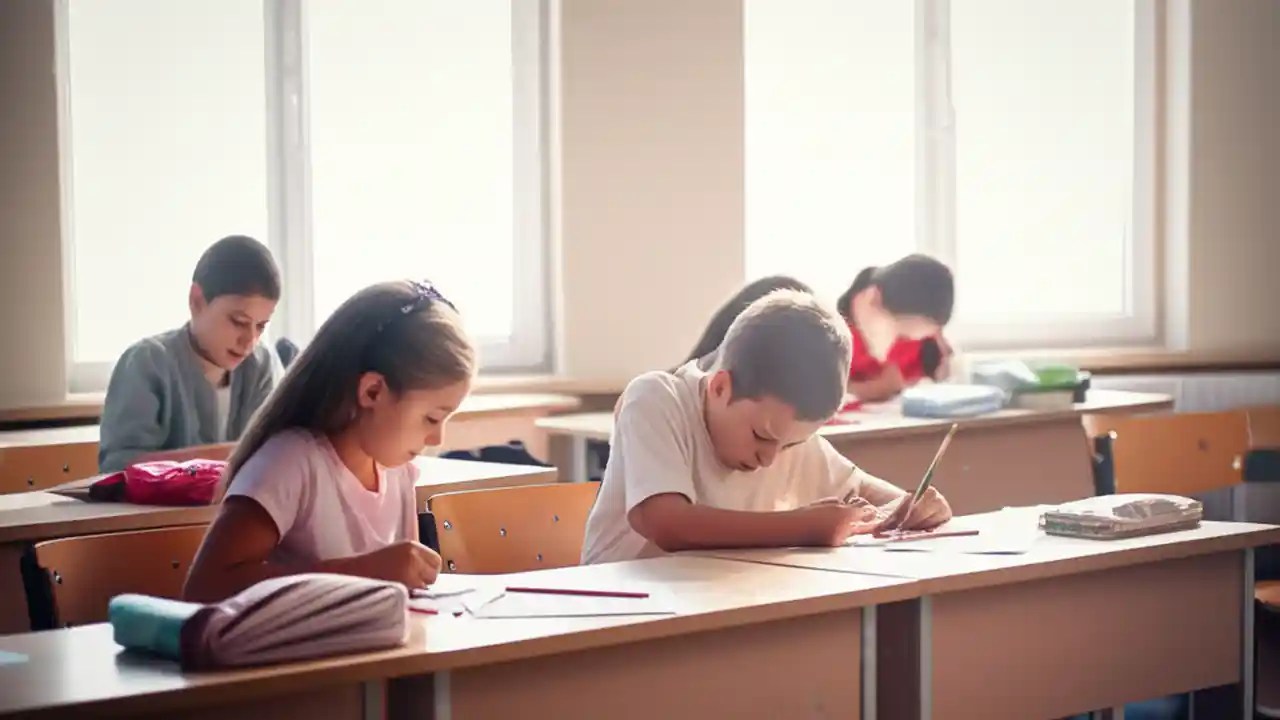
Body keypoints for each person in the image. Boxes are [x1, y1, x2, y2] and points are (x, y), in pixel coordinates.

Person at [582, 289, 951, 564]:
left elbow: (867, 491)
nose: (770, 459)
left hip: (706, 606)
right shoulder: (656, 399)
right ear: (721, 387)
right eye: (762, 437)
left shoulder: (783, 434)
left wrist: (913, 506)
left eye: (790, 446)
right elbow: (666, 523)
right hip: (619, 620)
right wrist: (805, 527)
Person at [183, 280, 475, 602]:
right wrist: (363, 573)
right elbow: (205, 588)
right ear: (372, 391)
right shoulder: (290, 462)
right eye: (432, 418)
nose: (437, 438)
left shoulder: (399, 473)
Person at [98, 235, 282, 472]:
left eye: (261, 326)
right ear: (197, 301)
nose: (250, 340)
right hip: (160, 510)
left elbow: (277, 457)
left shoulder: (262, 365)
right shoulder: (147, 364)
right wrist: (235, 456)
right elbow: (118, 467)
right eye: (238, 321)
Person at [836, 254, 955, 403]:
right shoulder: (834, 336)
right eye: (903, 334)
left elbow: (940, 374)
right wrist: (873, 389)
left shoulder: (923, 339)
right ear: (872, 299)